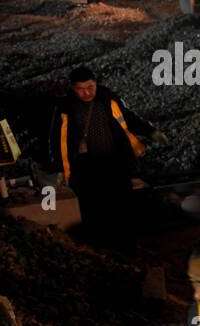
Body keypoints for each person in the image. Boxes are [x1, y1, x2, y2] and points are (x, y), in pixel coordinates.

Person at [47, 67, 164, 240]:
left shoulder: (107, 99)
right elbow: (57, 139)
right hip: (86, 167)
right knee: (95, 204)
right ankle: (102, 240)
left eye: (90, 87)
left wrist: (150, 131)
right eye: (81, 89)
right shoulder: (66, 108)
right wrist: (59, 168)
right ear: (72, 88)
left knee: (121, 201)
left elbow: (128, 118)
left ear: (96, 84)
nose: (87, 93)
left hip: (115, 161)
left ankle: (126, 238)